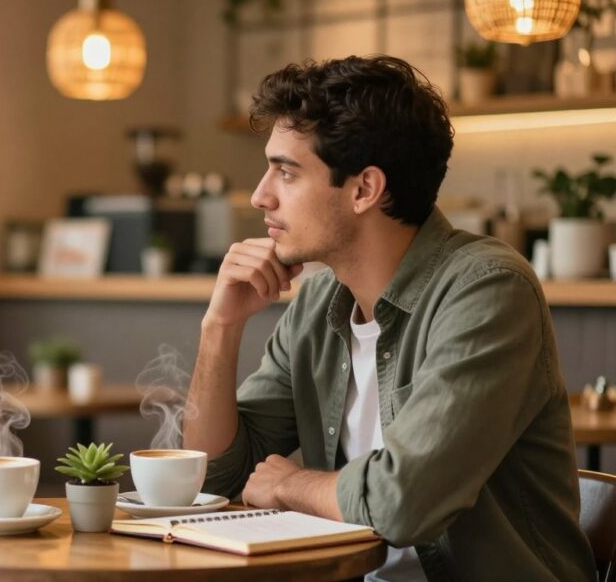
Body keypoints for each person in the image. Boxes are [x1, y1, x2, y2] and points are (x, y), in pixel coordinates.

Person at [182, 55, 595, 581]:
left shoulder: (488, 290)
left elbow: (403, 503)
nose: (261, 195)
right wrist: (219, 328)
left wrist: (291, 485)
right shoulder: (318, 301)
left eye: (286, 171)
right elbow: (215, 476)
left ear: (363, 190)